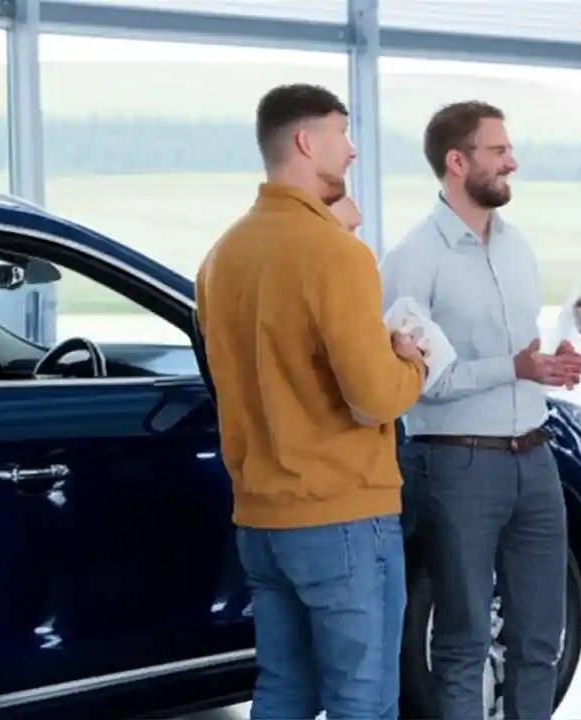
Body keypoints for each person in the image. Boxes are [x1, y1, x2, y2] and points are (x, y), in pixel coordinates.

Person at [195, 83, 427, 719]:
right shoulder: (337, 255)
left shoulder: (222, 257)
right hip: (341, 517)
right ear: (305, 141)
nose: (351, 151)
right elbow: (376, 396)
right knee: (364, 700)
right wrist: (414, 362)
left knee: (282, 690)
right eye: (342, 134)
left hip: (261, 519)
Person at [380, 100, 581, 720]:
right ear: (456, 161)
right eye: (498, 152)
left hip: (535, 458)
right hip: (457, 467)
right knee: (463, 641)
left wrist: (554, 359)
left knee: (538, 641)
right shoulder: (411, 260)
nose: (512, 162)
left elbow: (523, 350)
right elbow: (419, 381)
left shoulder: (518, 247)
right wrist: (516, 369)